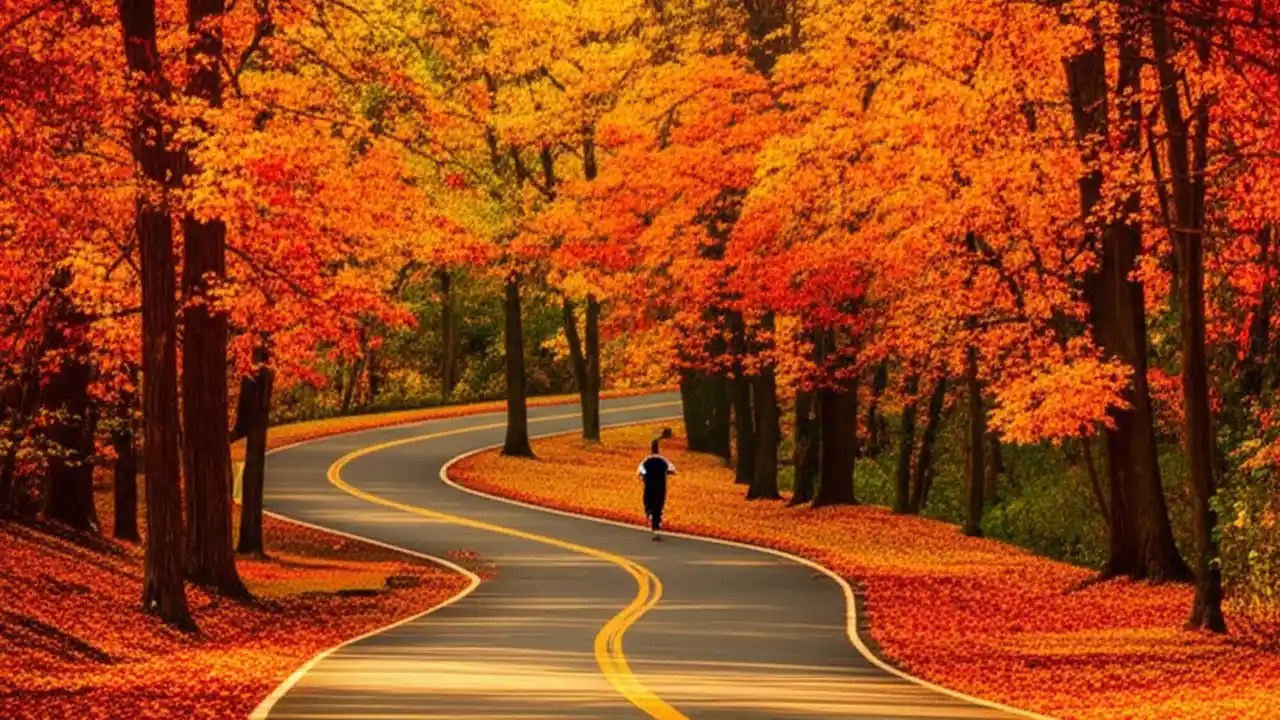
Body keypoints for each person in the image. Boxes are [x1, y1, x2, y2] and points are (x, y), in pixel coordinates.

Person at [637, 438, 676, 541]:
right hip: (661, 485)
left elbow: (640, 471)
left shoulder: (646, 461)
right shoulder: (664, 460)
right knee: (658, 505)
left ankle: (649, 514)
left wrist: (644, 476)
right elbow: (672, 470)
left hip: (649, 485)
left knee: (648, 502)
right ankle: (656, 526)